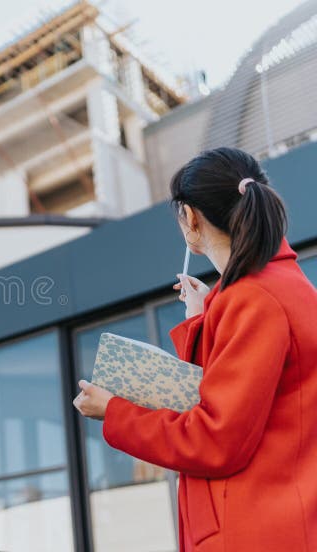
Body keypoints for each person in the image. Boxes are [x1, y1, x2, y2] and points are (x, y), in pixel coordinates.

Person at [73, 147, 317, 551]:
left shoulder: (254, 299)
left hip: (256, 529)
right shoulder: (274, 288)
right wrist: (204, 315)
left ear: (190, 218)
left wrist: (114, 411)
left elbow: (216, 438)